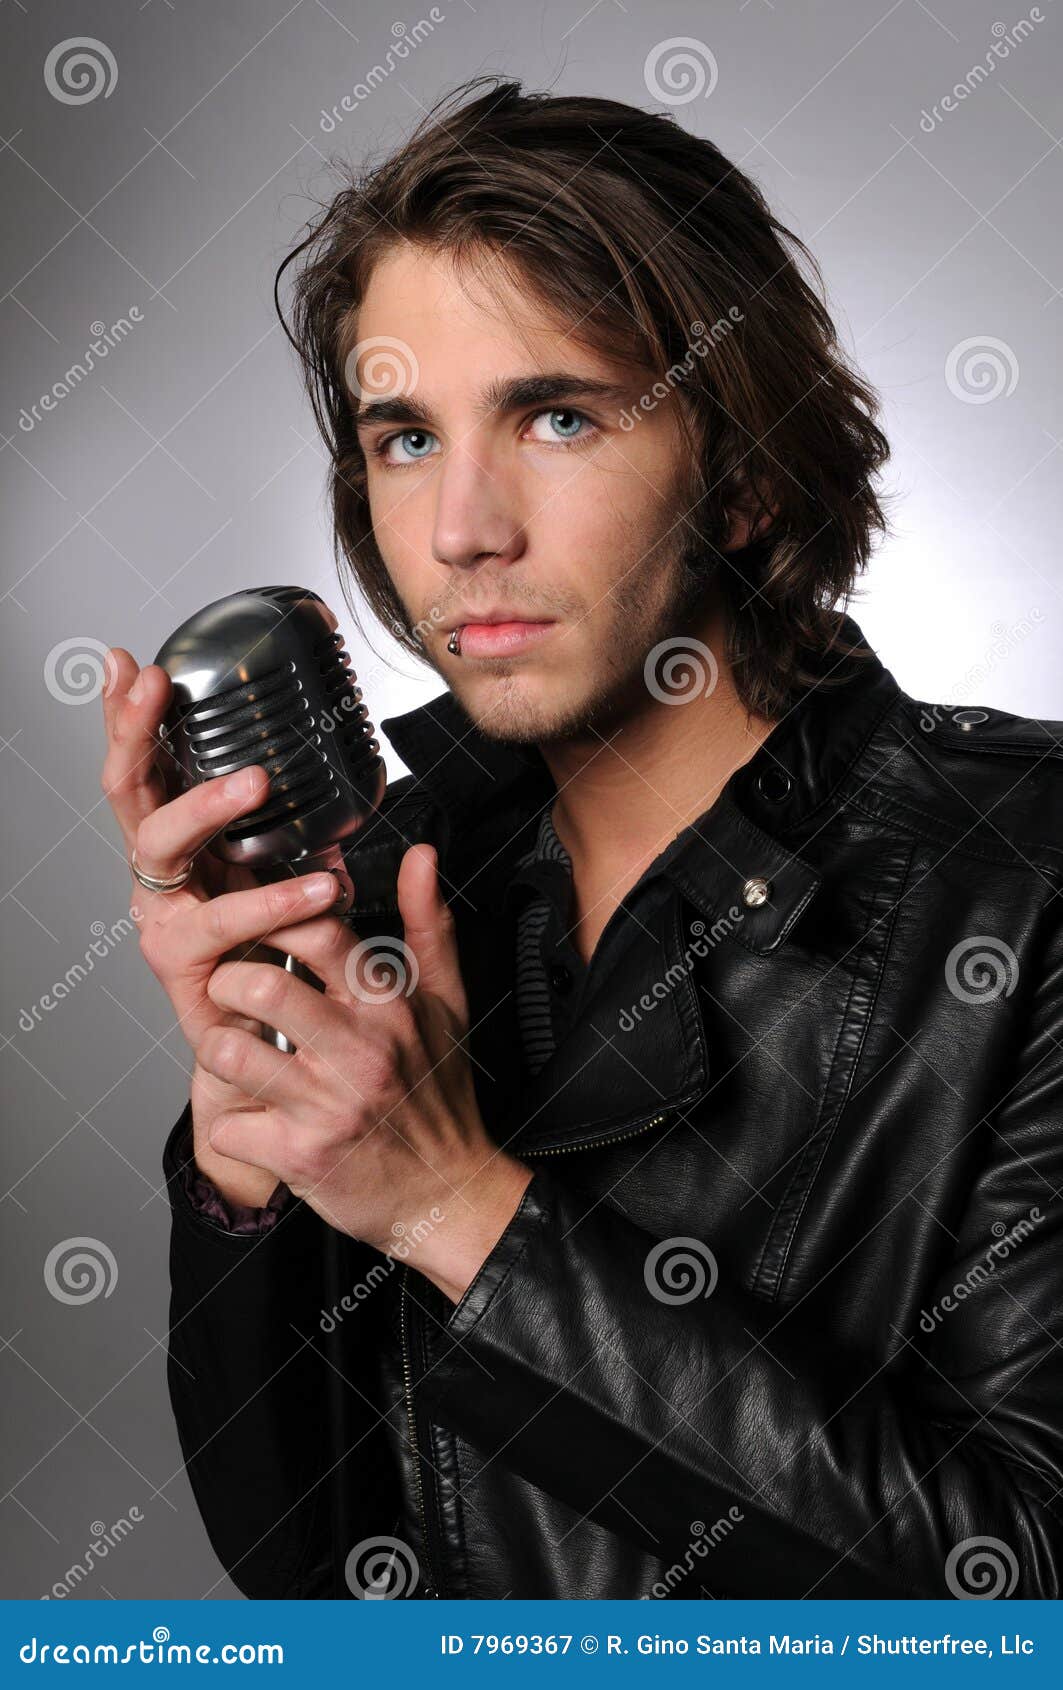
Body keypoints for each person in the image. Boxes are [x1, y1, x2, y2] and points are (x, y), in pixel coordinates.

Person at [99, 78, 1063, 1600]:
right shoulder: (406, 883)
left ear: (742, 473)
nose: (463, 527)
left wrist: (456, 1212)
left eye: (558, 417)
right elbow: (316, 1586)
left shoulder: (1026, 875)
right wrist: (257, 1179)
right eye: (405, 437)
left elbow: (1017, 1589)